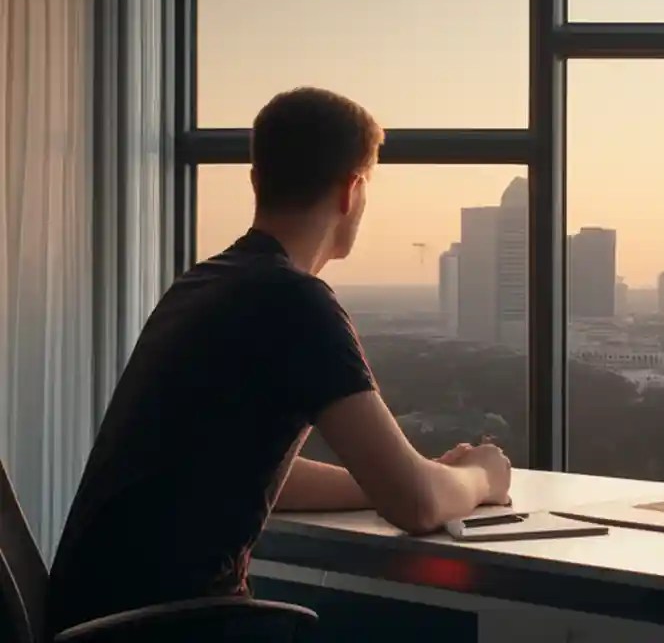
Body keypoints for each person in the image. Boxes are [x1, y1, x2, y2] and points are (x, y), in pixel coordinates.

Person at [44, 87, 512, 638]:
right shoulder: (295, 301)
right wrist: (479, 474)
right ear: (352, 191)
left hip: (89, 623)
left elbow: (266, 479)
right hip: (170, 628)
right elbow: (416, 503)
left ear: (255, 179)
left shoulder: (205, 283)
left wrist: (378, 477)